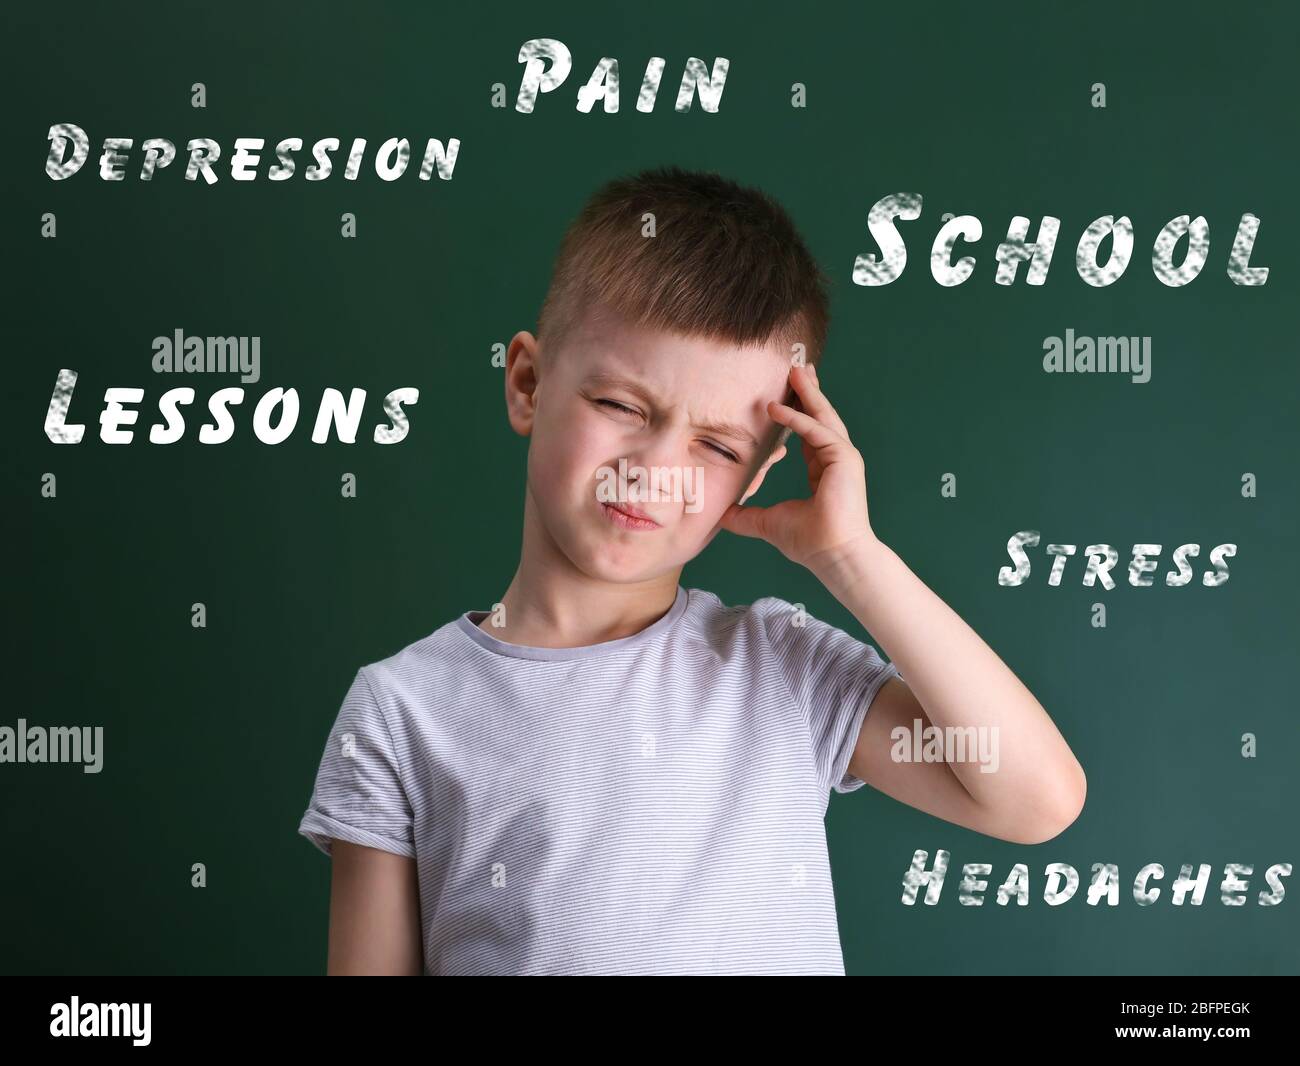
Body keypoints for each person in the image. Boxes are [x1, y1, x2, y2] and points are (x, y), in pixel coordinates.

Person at [298, 165, 1087, 975]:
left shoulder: (781, 667)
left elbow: (1035, 798)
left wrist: (851, 558)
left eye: (714, 447)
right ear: (528, 384)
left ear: (755, 475)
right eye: (622, 408)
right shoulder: (402, 710)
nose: (654, 472)